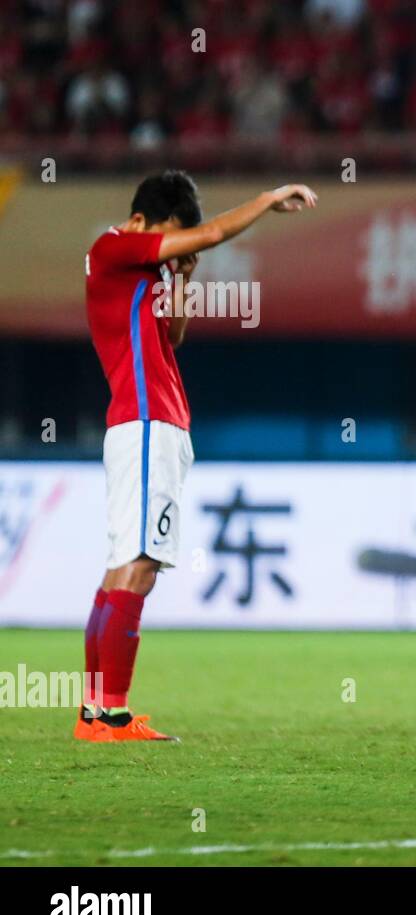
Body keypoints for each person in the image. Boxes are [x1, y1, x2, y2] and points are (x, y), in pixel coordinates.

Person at [78, 170, 317, 742]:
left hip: (148, 426)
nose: (175, 249)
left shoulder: (137, 273)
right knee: (138, 567)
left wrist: (182, 279)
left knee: (123, 567)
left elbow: (172, 335)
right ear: (141, 223)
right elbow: (208, 236)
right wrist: (265, 198)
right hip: (144, 424)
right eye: (169, 239)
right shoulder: (114, 244)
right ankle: (108, 714)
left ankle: (96, 711)